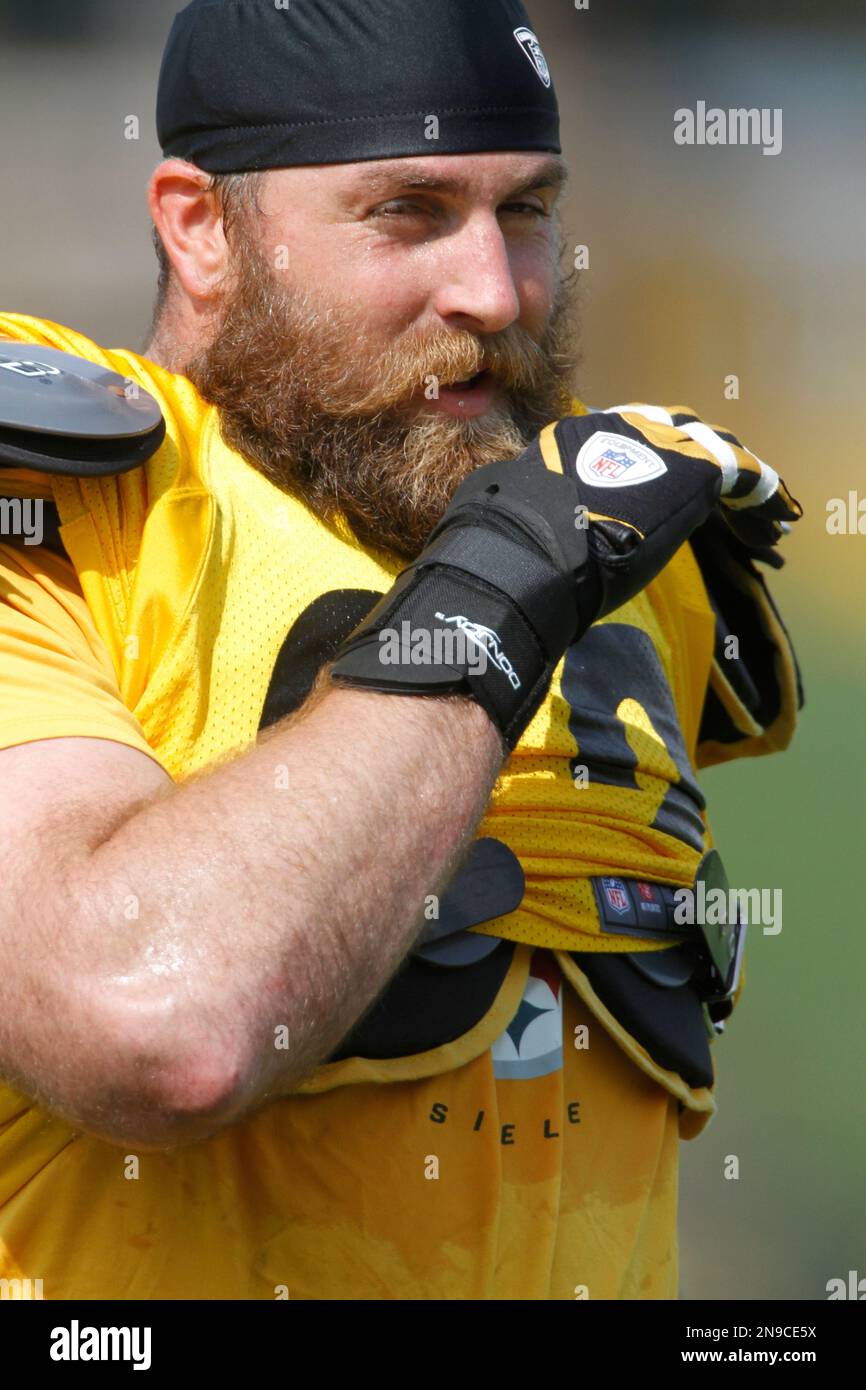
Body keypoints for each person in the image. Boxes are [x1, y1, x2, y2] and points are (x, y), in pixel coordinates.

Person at [0, 0, 801, 1300]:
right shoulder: (62, 523)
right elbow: (151, 1030)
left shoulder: (619, 550)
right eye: (408, 212)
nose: (492, 293)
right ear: (201, 227)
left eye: (525, 210)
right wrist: (501, 589)